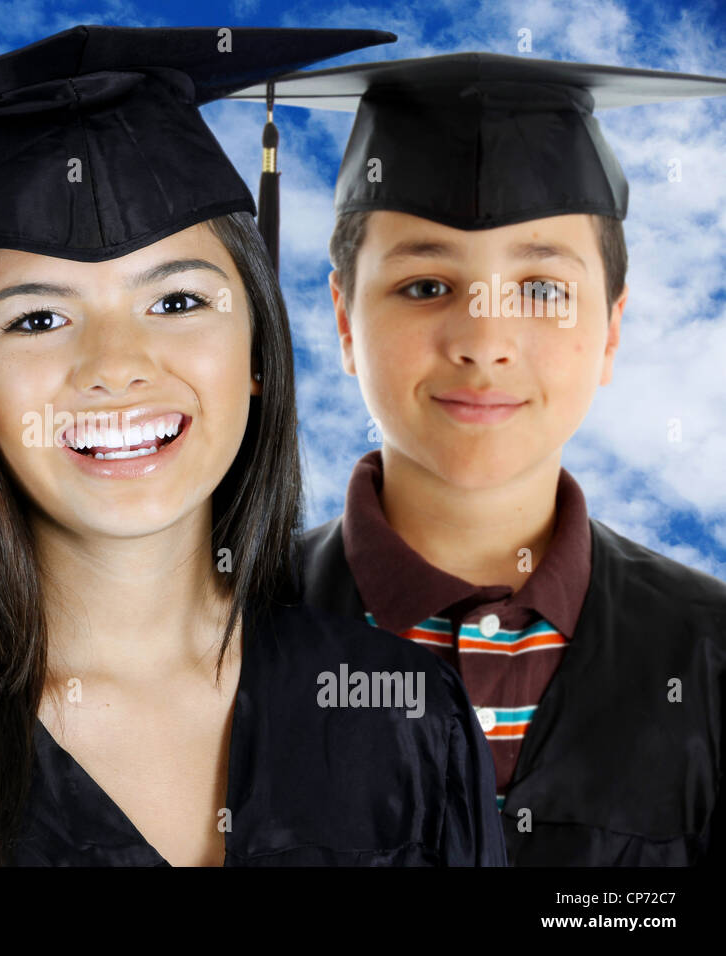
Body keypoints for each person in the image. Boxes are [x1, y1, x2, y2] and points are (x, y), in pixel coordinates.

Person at [0, 26, 507, 867]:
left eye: (177, 302)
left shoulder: (402, 716)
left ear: (258, 356)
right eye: (39, 318)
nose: (116, 368)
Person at [233, 53, 726, 864]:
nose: (483, 343)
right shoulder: (220, 634)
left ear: (611, 330)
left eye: (541, 289)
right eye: (425, 286)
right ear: (345, 321)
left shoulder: (707, 658)